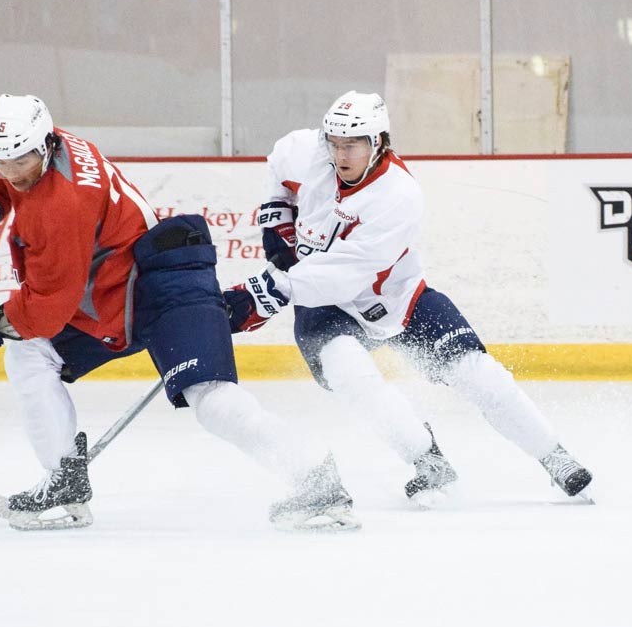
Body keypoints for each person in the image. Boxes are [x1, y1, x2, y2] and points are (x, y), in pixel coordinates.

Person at [0, 93, 359, 531]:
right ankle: (64, 480)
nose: (13, 173)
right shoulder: (53, 147)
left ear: (46, 144)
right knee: (30, 355)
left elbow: (46, 310)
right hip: (114, 291)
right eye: (1, 161)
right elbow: (5, 175)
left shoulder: (62, 206)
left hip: (167, 288)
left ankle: (320, 482)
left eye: (22, 162)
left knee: (213, 402)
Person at [223, 90, 593, 505]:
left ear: (378, 143)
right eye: (335, 143)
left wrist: (270, 291)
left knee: (476, 373)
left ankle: (553, 454)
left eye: (353, 145)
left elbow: (347, 274)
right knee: (352, 378)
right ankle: (427, 460)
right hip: (323, 306)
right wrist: (277, 215)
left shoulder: (398, 196)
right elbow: (279, 162)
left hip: (396, 296)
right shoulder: (306, 153)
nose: (340, 155)